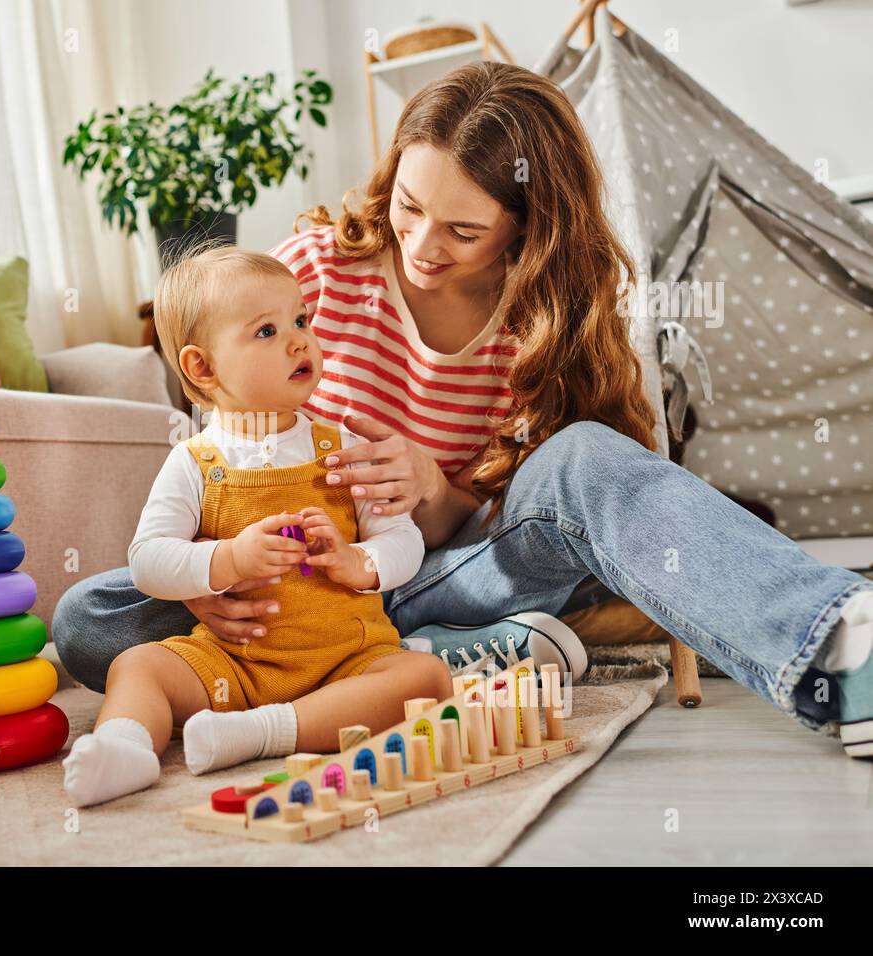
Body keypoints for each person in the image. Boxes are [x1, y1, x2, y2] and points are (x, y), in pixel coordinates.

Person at [54, 61, 873, 760]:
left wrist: (435, 491)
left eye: (463, 229)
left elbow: (535, 526)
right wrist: (211, 574)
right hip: (280, 609)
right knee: (89, 619)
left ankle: (839, 645)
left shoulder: (547, 319)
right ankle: (472, 659)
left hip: (429, 577)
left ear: (528, 225)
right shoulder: (308, 275)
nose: (420, 246)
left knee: (584, 456)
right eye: (409, 206)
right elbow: (224, 463)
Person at [62, 247, 451, 807]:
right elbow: (147, 560)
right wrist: (228, 562)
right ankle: (124, 749)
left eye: (299, 320)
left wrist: (357, 561)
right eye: (266, 331)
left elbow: (403, 539)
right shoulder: (195, 462)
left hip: (347, 660)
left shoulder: (340, 448)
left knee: (427, 681)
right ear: (203, 368)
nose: (299, 341)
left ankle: (256, 734)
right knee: (138, 664)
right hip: (231, 666)